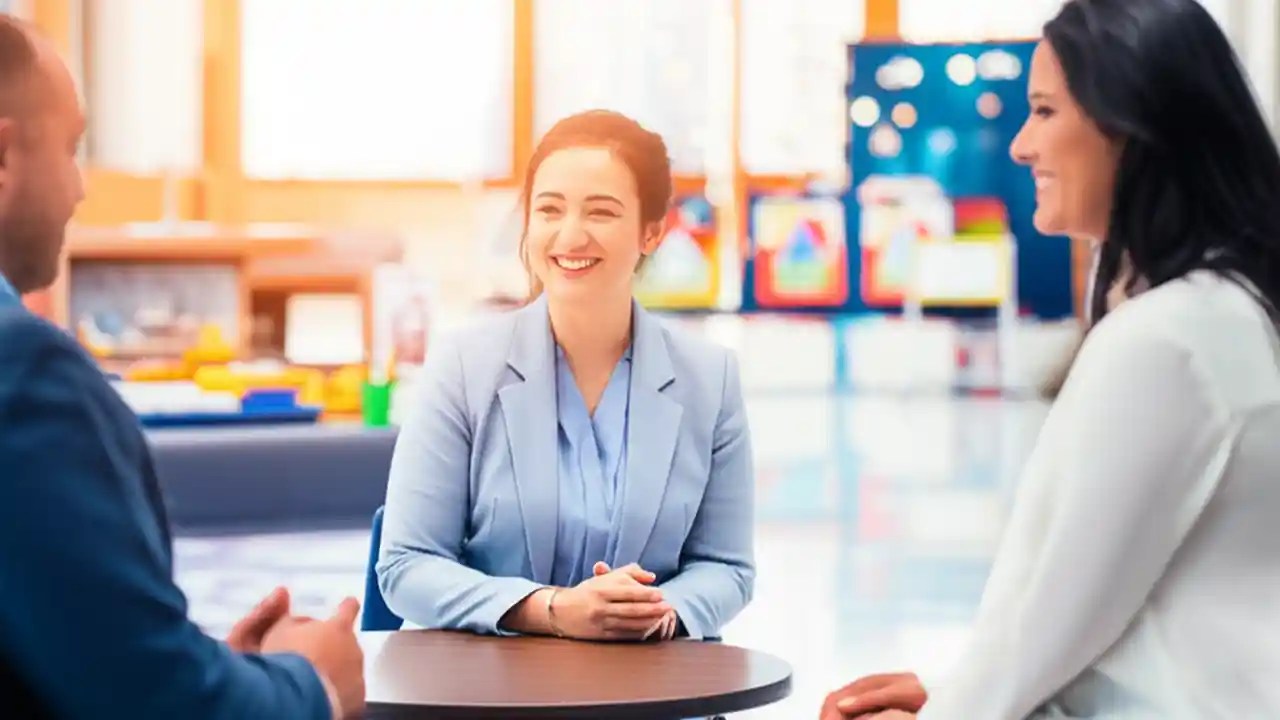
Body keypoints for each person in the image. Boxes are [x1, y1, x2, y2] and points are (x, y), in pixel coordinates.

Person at [822, 0, 1280, 717]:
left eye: (1042, 111)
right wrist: (956, 693)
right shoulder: (1235, 309)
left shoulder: (1165, 343)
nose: (1020, 146)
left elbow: (1052, 618)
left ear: (1128, 124)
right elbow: (1139, 610)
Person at [0, 17, 365, 719]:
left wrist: (202, 664)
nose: (79, 190)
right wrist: (310, 685)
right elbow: (151, 701)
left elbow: (71, 645)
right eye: (71, 150)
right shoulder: (26, 371)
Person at [377, 110, 755, 642]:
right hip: (492, 692)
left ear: (651, 232)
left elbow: (728, 567)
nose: (570, 235)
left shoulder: (710, 379)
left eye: (601, 212)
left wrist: (653, 612)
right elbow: (406, 565)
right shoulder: (463, 365)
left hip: (650, 687)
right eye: (549, 209)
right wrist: (550, 610)